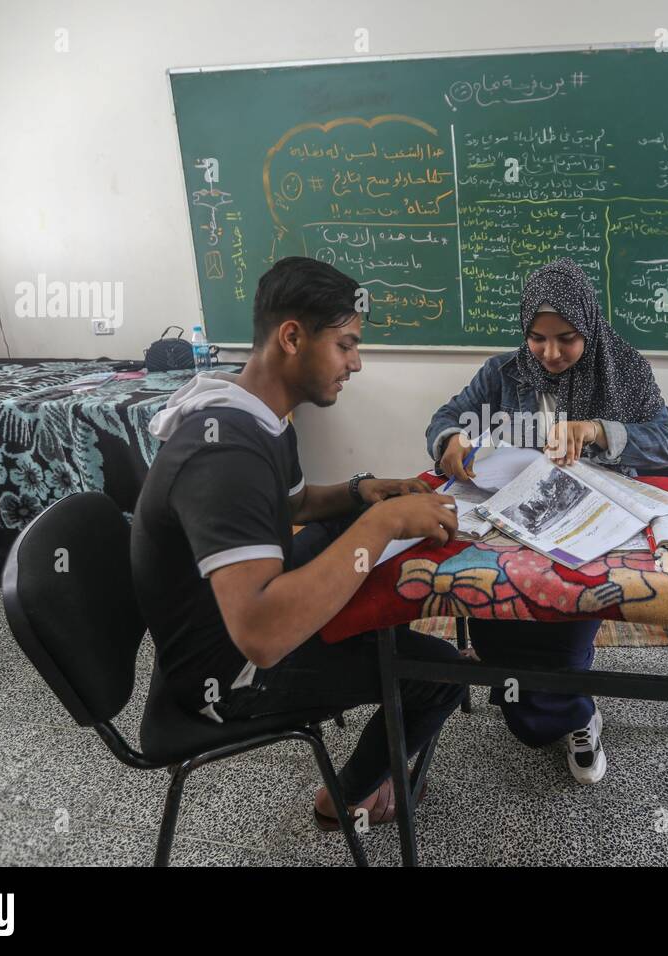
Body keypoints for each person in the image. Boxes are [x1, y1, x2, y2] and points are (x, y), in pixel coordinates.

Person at [131, 256, 464, 830]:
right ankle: (343, 798)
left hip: (222, 620)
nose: (355, 364)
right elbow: (261, 635)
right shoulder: (224, 455)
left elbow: (294, 507)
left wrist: (365, 493)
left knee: (353, 533)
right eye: (346, 345)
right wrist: (381, 524)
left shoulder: (256, 413)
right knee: (437, 672)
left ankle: (379, 642)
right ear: (292, 337)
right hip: (228, 673)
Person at [424, 257, 668, 784]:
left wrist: (596, 430)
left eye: (566, 338)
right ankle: (561, 706)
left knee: (562, 616)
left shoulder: (624, 367)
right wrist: (449, 441)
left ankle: (572, 711)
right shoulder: (504, 371)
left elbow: (667, 441)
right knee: (496, 615)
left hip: (594, 517)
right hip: (517, 514)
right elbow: (448, 416)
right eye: (538, 338)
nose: (551, 353)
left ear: (588, 325)